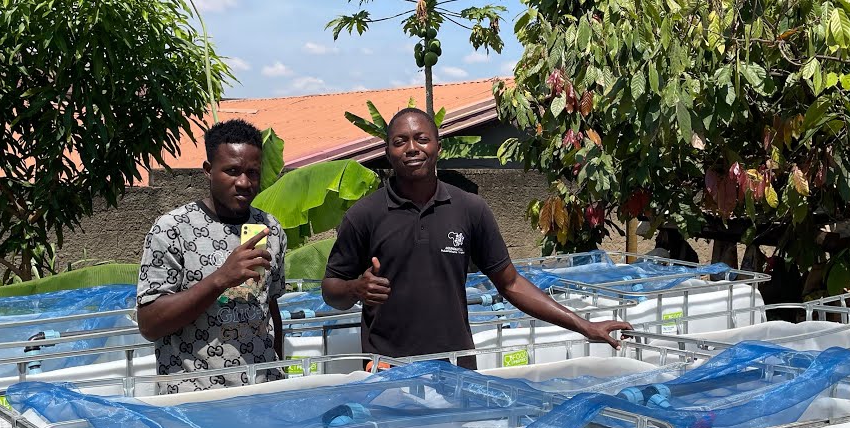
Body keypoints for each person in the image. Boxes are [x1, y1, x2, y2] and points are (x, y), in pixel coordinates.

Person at [322, 107, 630, 368]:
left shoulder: (469, 208)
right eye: (400, 141)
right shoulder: (365, 215)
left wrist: (583, 325)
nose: (412, 148)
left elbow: (510, 283)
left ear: (438, 147)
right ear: (388, 152)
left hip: (456, 366)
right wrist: (355, 288)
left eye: (422, 139)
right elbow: (331, 289)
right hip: (387, 368)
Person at [136, 118, 287, 392]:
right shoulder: (172, 229)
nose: (244, 182)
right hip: (195, 398)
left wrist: (276, 370)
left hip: (260, 390)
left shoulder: (271, 229)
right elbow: (149, 324)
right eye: (232, 171)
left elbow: (270, 307)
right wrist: (221, 279)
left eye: (253, 172)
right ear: (208, 171)